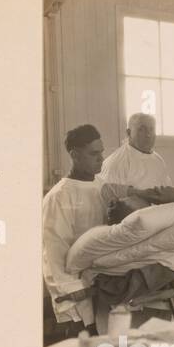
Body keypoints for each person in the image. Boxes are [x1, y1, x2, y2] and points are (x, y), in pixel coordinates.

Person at [41, 124, 108, 327]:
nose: (101, 158)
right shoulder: (60, 196)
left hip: (102, 281)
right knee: (81, 346)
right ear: (75, 155)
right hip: (75, 290)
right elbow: (54, 248)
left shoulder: (102, 186)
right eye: (93, 153)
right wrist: (70, 287)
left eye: (102, 152)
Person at [99, 112, 171, 194]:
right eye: (141, 129)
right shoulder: (118, 162)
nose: (148, 134)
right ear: (129, 133)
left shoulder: (158, 160)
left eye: (151, 129)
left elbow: (167, 191)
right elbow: (110, 197)